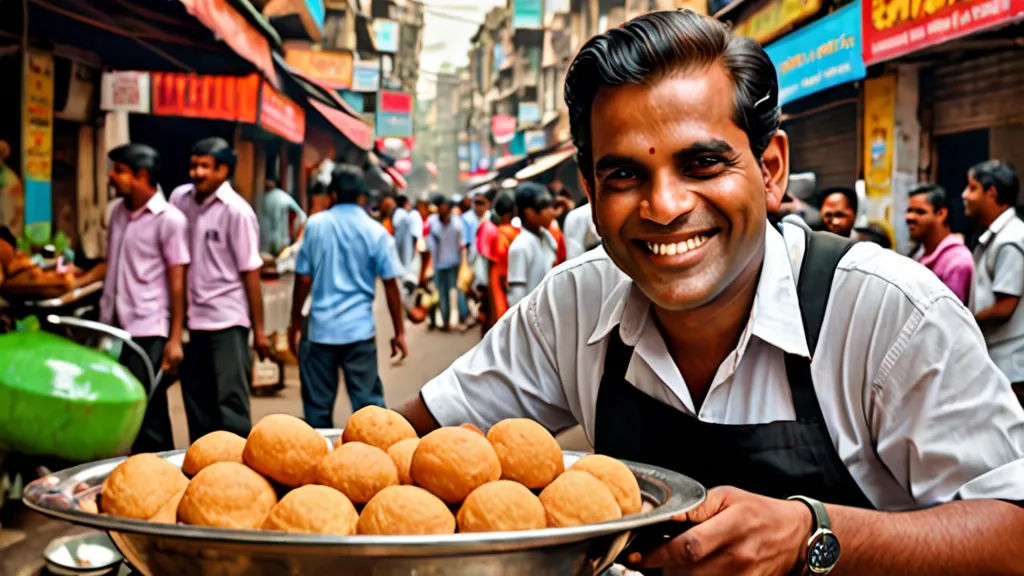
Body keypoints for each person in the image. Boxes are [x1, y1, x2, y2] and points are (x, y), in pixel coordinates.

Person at [399, 11, 1024, 575]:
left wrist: (817, 536)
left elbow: (1012, 533)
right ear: (590, 193)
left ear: (770, 169)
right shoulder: (575, 304)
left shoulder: (889, 314)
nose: (665, 207)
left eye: (702, 164)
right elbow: (407, 446)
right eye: (624, 174)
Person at [288, 165, 407, 427]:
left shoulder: (315, 226)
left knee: (317, 411)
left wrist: (294, 323)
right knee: (369, 410)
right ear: (362, 197)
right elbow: (390, 286)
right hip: (358, 333)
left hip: (320, 331)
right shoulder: (376, 232)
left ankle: (318, 462)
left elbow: (303, 279)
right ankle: (376, 461)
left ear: (332, 195)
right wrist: (399, 332)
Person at [170, 137, 268, 442]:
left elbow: (251, 273)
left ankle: (238, 476)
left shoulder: (237, 212)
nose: (197, 173)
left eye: (205, 167)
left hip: (228, 319)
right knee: (197, 402)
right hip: (192, 321)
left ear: (223, 170)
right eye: (194, 165)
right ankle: (203, 471)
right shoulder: (180, 200)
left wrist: (260, 330)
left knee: (231, 404)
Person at [99, 144, 189, 453]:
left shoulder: (170, 219)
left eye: (119, 171)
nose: (112, 176)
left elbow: (178, 282)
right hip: (115, 327)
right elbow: (111, 265)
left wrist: (175, 338)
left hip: (149, 328)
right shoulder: (117, 213)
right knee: (126, 407)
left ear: (142, 176)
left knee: (145, 412)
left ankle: (159, 475)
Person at [963, 160, 1024, 404]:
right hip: (1002, 366)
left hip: (1012, 367)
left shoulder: (1011, 239)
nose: (965, 195)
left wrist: (962, 318)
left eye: (972, 187)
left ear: (992, 193)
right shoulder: (999, 237)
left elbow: (1005, 307)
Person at [906, 183, 973, 304]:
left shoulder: (957, 262)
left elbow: (949, 317)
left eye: (920, 212)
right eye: (909, 210)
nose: (909, 217)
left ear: (941, 214)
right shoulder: (918, 253)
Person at [506, 182, 558, 307]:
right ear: (529, 212)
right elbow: (516, 296)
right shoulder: (520, 246)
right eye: (545, 207)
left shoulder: (546, 239)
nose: (552, 212)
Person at [426, 195, 470, 331]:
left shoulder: (457, 224)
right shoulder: (434, 224)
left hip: (453, 263)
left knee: (458, 290)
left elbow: (462, 244)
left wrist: (463, 263)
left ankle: (464, 316)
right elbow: (429, 245)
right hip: (439, 264)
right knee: (442, 293)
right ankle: (445, 321)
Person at [260, 179, 306, 257]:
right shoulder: (282, 196)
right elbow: (303, 217)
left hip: (267, 244)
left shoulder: (263, 198)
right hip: (283, 243)